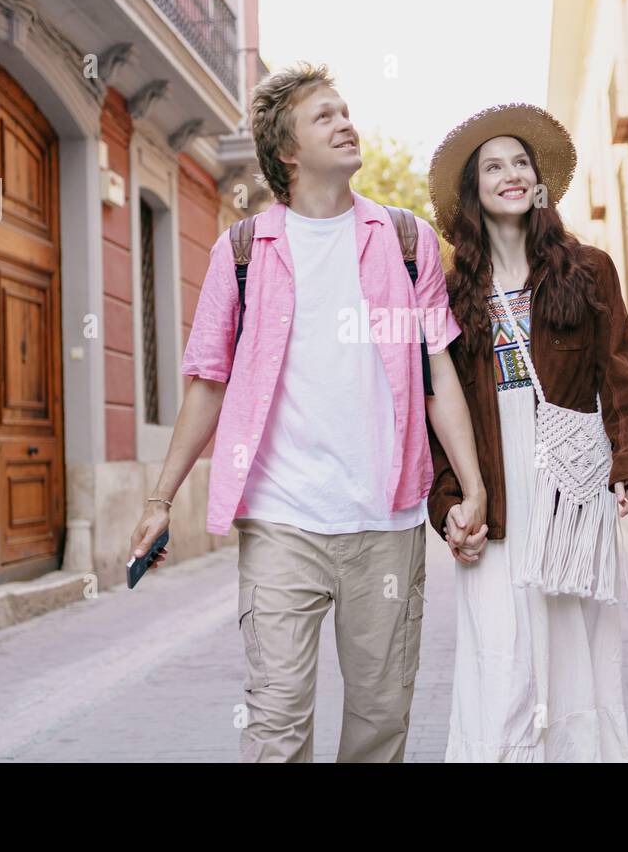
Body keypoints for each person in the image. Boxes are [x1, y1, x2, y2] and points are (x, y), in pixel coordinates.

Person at [128, 62, 488, 762]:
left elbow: (438, 372)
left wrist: (471, 486)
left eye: (345, 110)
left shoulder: (407, 241)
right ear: (287, 150)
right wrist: (159, 497)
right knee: (277, 722)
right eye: (324, 116)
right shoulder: (241, 251)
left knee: (380, 722)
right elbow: (207, 382)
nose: (345, 122)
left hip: (386, 521)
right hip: (282, 520)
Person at [425, 102, 628, 762]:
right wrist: (448, 508)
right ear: (473, 192)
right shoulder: (448, 293)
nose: (511, 174)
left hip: (570, 488)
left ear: (539, 182)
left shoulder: (587, 270)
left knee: (575, 659)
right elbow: (439, 413)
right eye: (493, 166)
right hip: (494, 491)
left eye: (521, 163)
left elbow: (618, 373)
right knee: (499, 657)